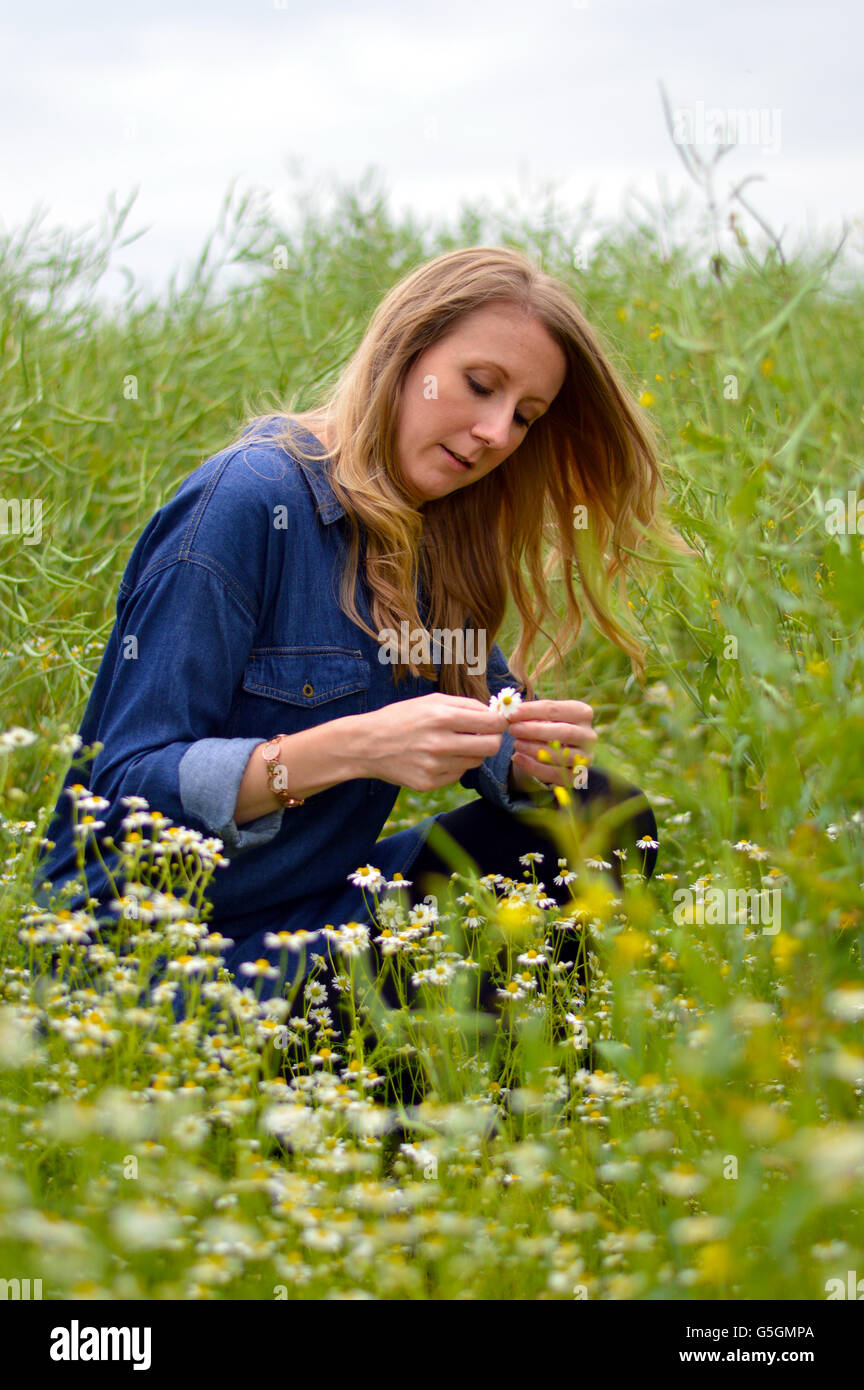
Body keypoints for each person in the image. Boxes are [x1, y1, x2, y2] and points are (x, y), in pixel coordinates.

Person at [32, 245, 670, 1023]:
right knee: (417, 1003)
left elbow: (490, 726)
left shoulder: (438, 532)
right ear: (405, 351)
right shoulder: (245, 502)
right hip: (156, 948)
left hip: (318, 912)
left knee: (598, 815)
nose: (497, 431)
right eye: (479, 386)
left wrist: (531, 755)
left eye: (525, 417)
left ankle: (536, 1097)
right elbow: (123, 788)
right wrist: (356, 748)